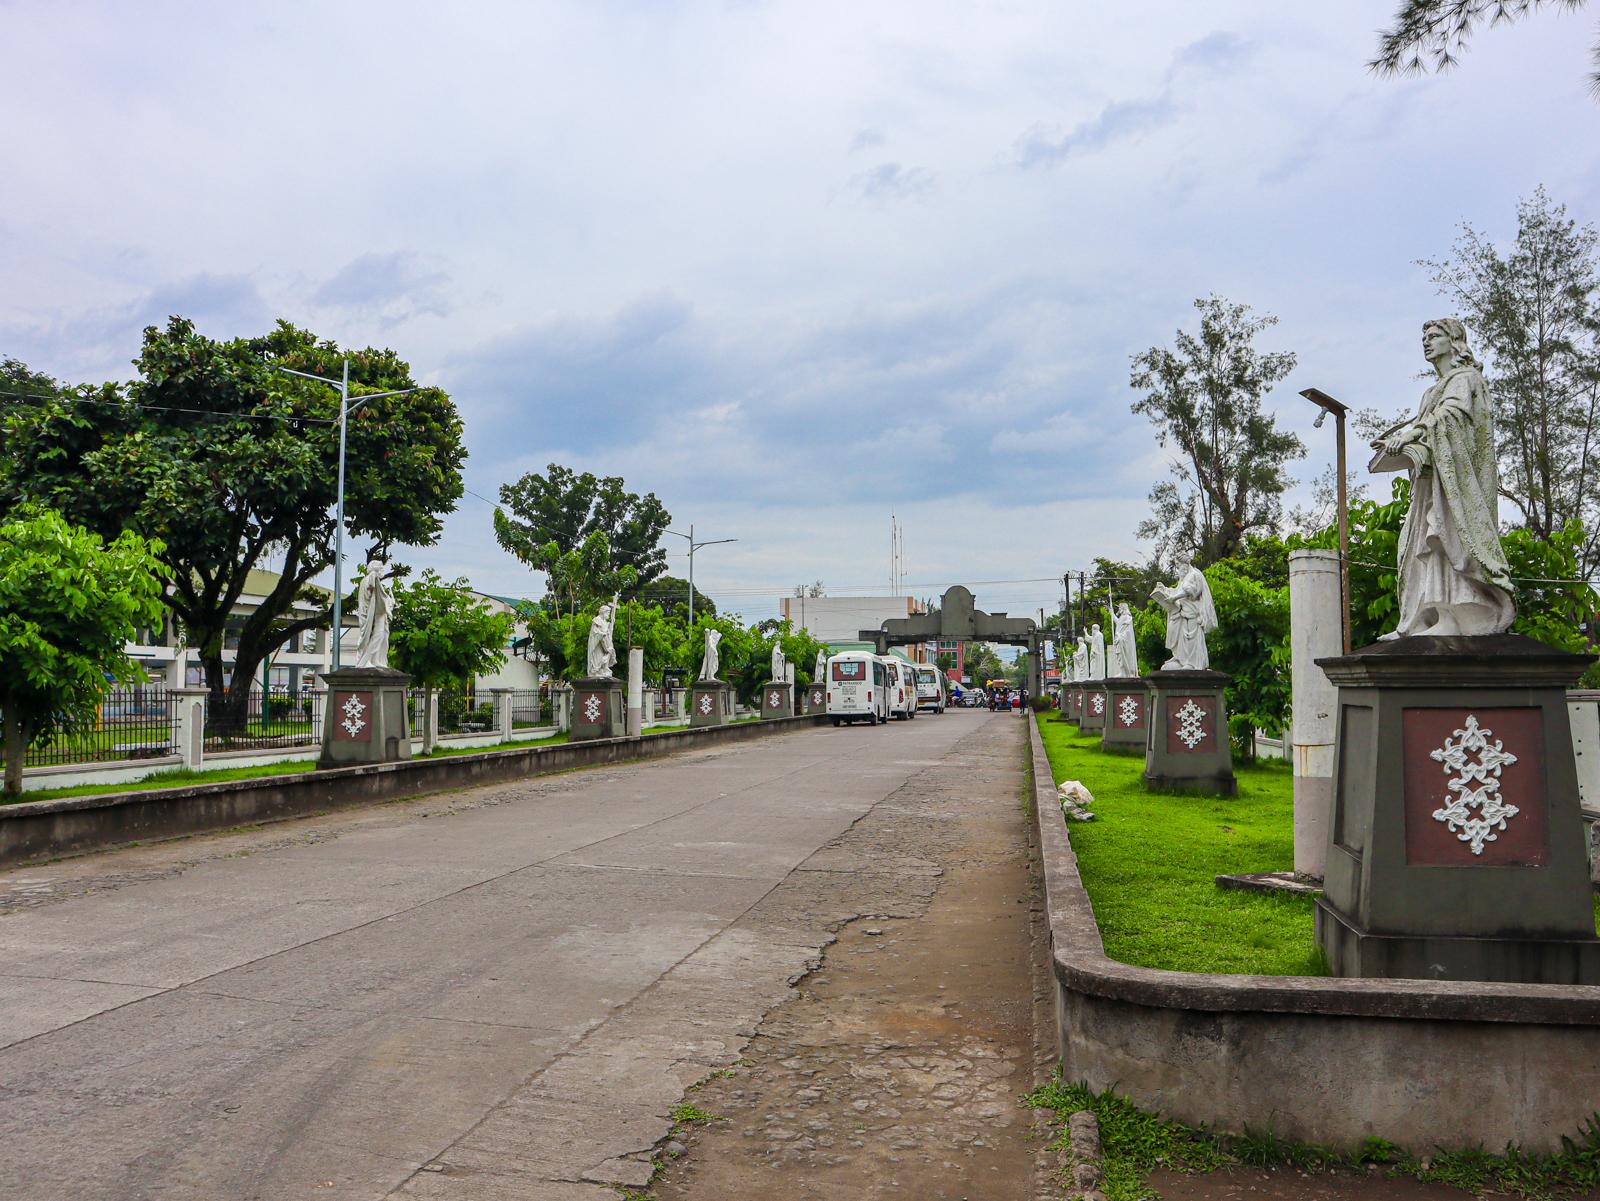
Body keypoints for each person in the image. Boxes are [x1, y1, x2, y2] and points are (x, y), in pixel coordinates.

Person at [1374, 318, 1515, 638]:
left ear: (1455, 342)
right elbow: (1432, 426)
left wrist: (1413, 432)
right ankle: (1424, 616)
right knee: (1420, 542)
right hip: (1431, 484)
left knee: (1445, 541)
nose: (1426, 342)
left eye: (1434, 336)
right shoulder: (1430, 391)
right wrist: (1401, 444)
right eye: (1424, 337)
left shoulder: (1467, 379)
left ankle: (1451, 616)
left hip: (1456, 488)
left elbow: (1453, 416)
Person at [1151, 550, 1217, 670]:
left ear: (1184, 564)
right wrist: (1164, 589)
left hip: (1192, 612)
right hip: (1181, 611)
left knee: (1190, 636)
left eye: (1178, 565)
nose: (1177, 568)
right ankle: (1179, 657)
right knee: (1176, 632)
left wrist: (1175, 598)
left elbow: (1190, 591)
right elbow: (1177, 590)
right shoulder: (1184, 577)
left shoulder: (1194, 574)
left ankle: (1192, 662)